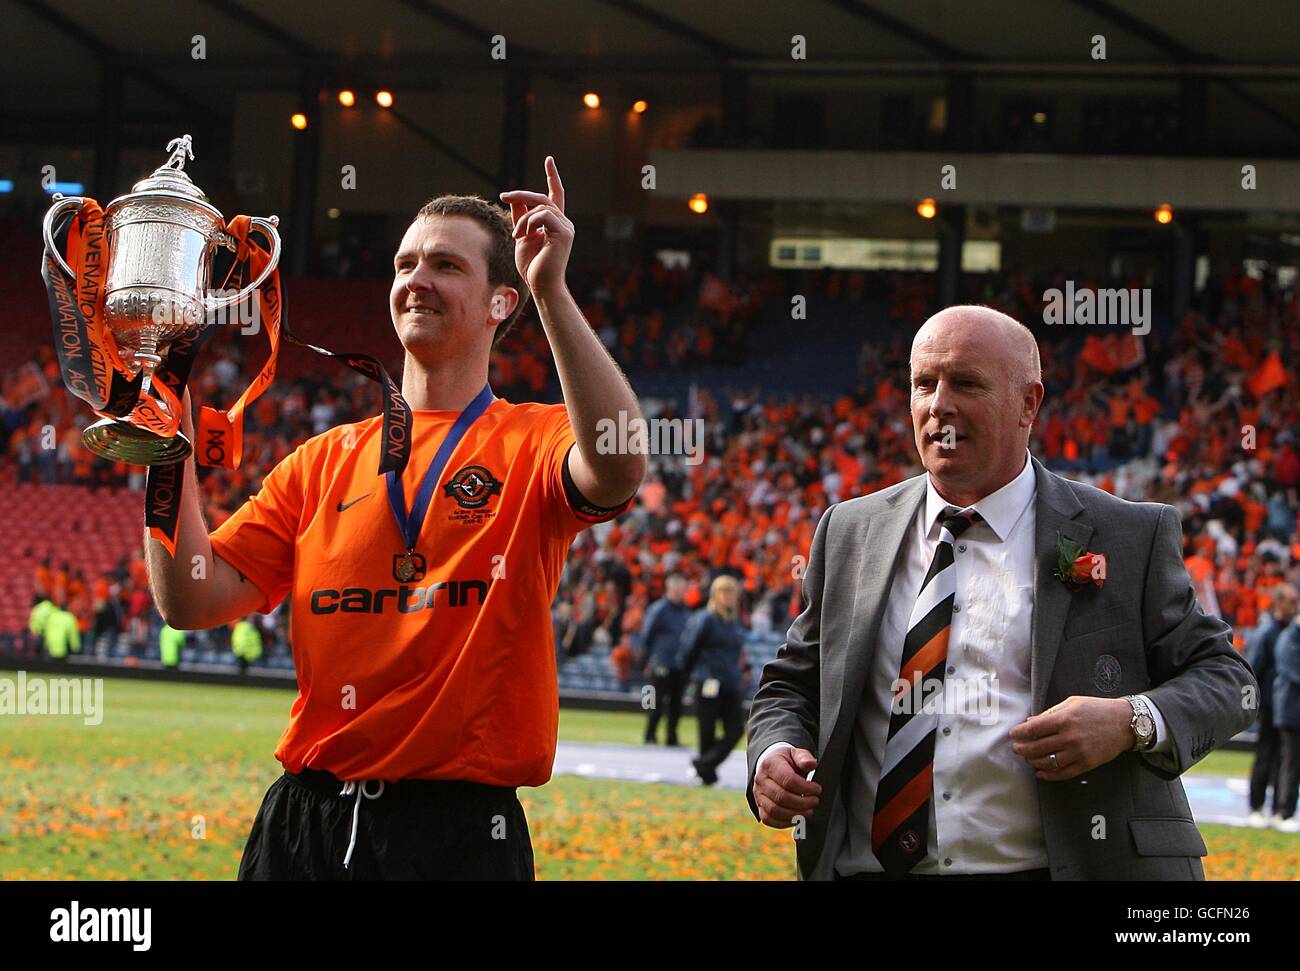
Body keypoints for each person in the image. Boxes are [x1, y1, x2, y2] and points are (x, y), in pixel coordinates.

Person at [146, 157, 645, 881]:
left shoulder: (533, 440)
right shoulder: (322, 459)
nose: (417, 278)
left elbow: (621, 461)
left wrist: (552, 291)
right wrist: (166, 446)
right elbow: (190, 597)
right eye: (405, 262)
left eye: (446, 264)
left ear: (502, 301)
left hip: (458, 834)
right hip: (304, 825)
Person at [748, 305, 1257, 881]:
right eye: (924, 384)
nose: (939, 404)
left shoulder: (1127, 534)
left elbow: (1228, 681)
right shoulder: (849, 530)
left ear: (1029, 403)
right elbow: (794, 680)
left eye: (966, 383)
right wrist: (773, 753)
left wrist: (1128, 721)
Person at [681, 574, 749, 786]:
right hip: (708, 679)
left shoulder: (734, 621)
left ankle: (702, 765)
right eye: (725, 592)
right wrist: (690, 676)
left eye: (732, 592)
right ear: (715, 594)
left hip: (730, 681)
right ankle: (706, 775)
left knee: (736, 729)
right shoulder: (705, 619)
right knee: (707, 730)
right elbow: (689, 649)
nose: (729, 597)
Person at [1245, 585, 1296, 825]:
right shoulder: (1266, 633)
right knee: (1265, 755)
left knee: (1281, 758)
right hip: (1268, 704)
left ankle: (1278, 809)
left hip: (1284, 705)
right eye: (1291, 602)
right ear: (1278, 604)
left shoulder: (1290, 632)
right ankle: (1256, 807)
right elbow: (1253, 670)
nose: (1295, 607)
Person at [640, 573, 690, 746]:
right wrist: (647, 660)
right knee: (655, 702)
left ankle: (671, 737)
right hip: (661, 662)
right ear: (671, 589)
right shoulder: (659, 609)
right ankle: (650, 734)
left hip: (679, 664)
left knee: (676, 704)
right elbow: (647, 635)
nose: (682, 593)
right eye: (680, 589)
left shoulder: (685, 611)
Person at [1272, 604, 1300, 832]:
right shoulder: (1289, 638)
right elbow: (1293, 671)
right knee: (1290, 762)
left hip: (1293, 710)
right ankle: (1284, 811)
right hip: (1290, 711)